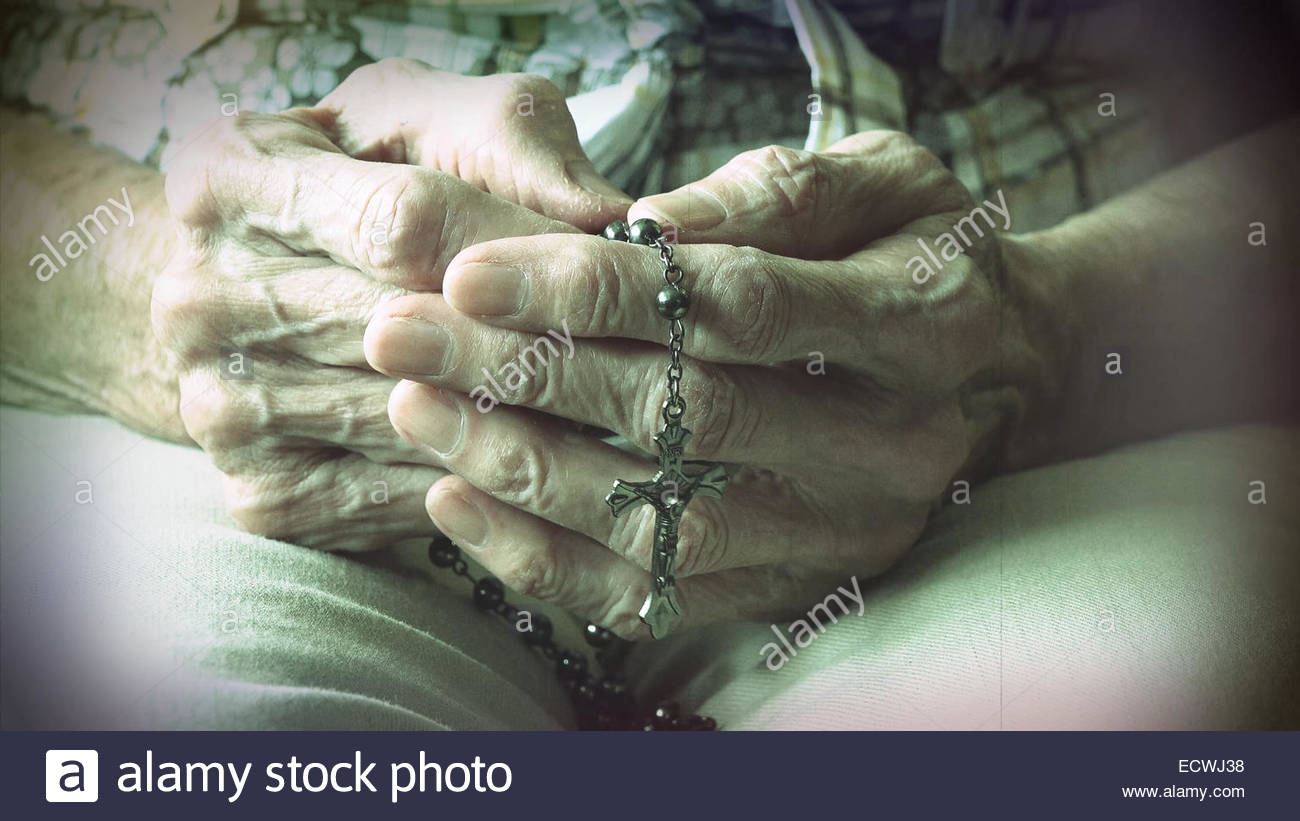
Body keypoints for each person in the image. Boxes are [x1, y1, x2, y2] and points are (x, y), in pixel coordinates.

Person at [2, 0, 1296, 729]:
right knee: (212, 737)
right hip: (237, 405)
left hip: (1032, 361)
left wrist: (1046, 328)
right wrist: (168, 294)